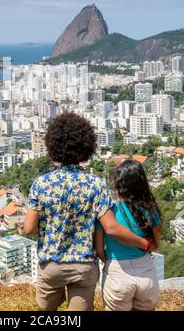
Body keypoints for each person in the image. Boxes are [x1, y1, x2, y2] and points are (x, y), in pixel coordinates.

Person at [24, 112, 154, 312]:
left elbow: (29, 228)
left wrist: (51, 228)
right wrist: (144, 243)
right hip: (84, 267)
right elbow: (111, 227)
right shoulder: (96, 184)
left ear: (53, 145)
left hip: (51, 265)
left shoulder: (41, 184)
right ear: (86, 146)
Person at [95, 160, 162, 311]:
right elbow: (156, 244)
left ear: (118, 183)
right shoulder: (150, 209)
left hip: (117, 271)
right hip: (145, 271)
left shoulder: (108, 211)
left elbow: (98, 249)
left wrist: (109, 261)